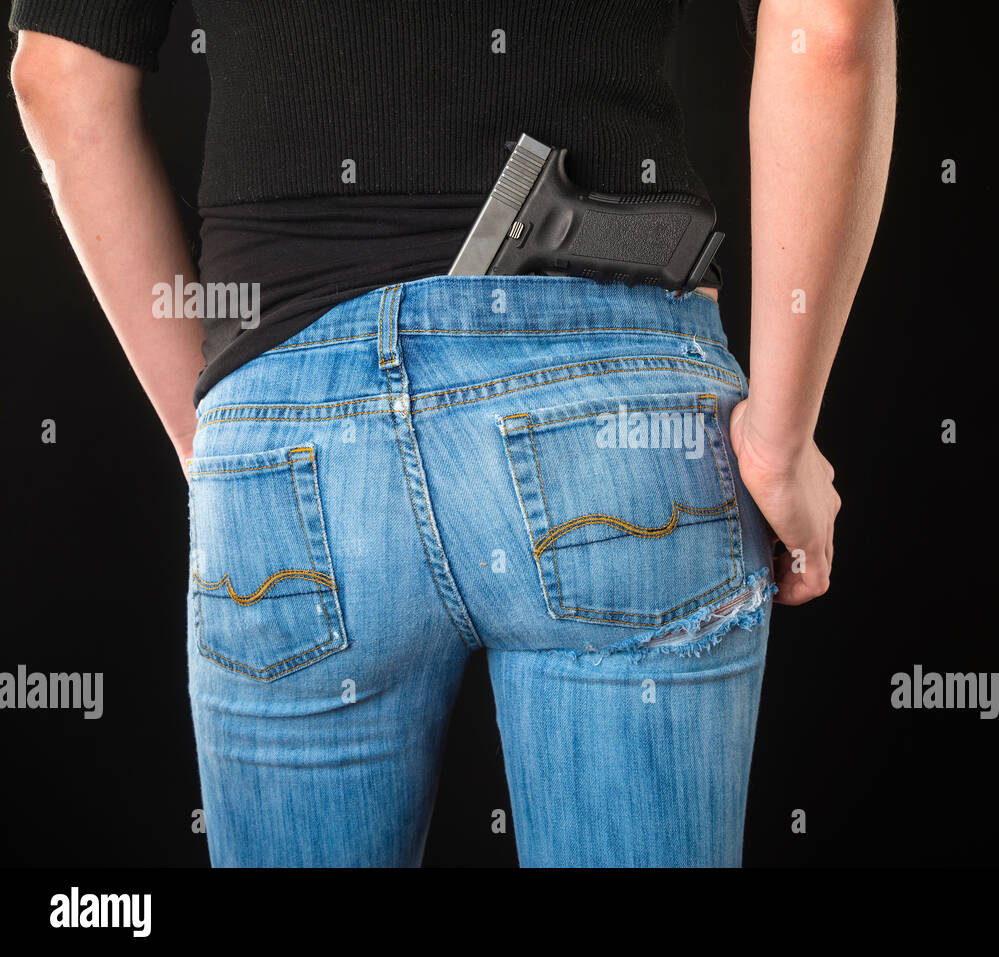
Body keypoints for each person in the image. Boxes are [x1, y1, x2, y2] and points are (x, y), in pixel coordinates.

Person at [9, 0, 896, 866]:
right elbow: (831, 29)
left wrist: (219, 435)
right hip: (614, 415)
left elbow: (59, 74)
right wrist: (781, 440)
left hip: (286, 429)